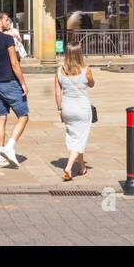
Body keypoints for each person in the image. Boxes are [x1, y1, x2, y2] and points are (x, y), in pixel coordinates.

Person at [0, 11, 28, 168]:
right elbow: (14, 63)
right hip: (10, 82)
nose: (9, 22)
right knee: (23, 116)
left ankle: (0, 156)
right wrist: (23, 83)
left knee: (1, 117)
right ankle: (9, 148)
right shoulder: (7, 38)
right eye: (6, 20)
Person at [54, 43, 95, 181]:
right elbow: (92, 84)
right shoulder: (86, 70)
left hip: (67, 108)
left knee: (75, 137)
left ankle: (82, 167)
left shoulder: (60, 70)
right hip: (82, 109)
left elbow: (58, 92)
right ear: (79, 54)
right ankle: (69, 167)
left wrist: (59, 109)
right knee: (80, 137)